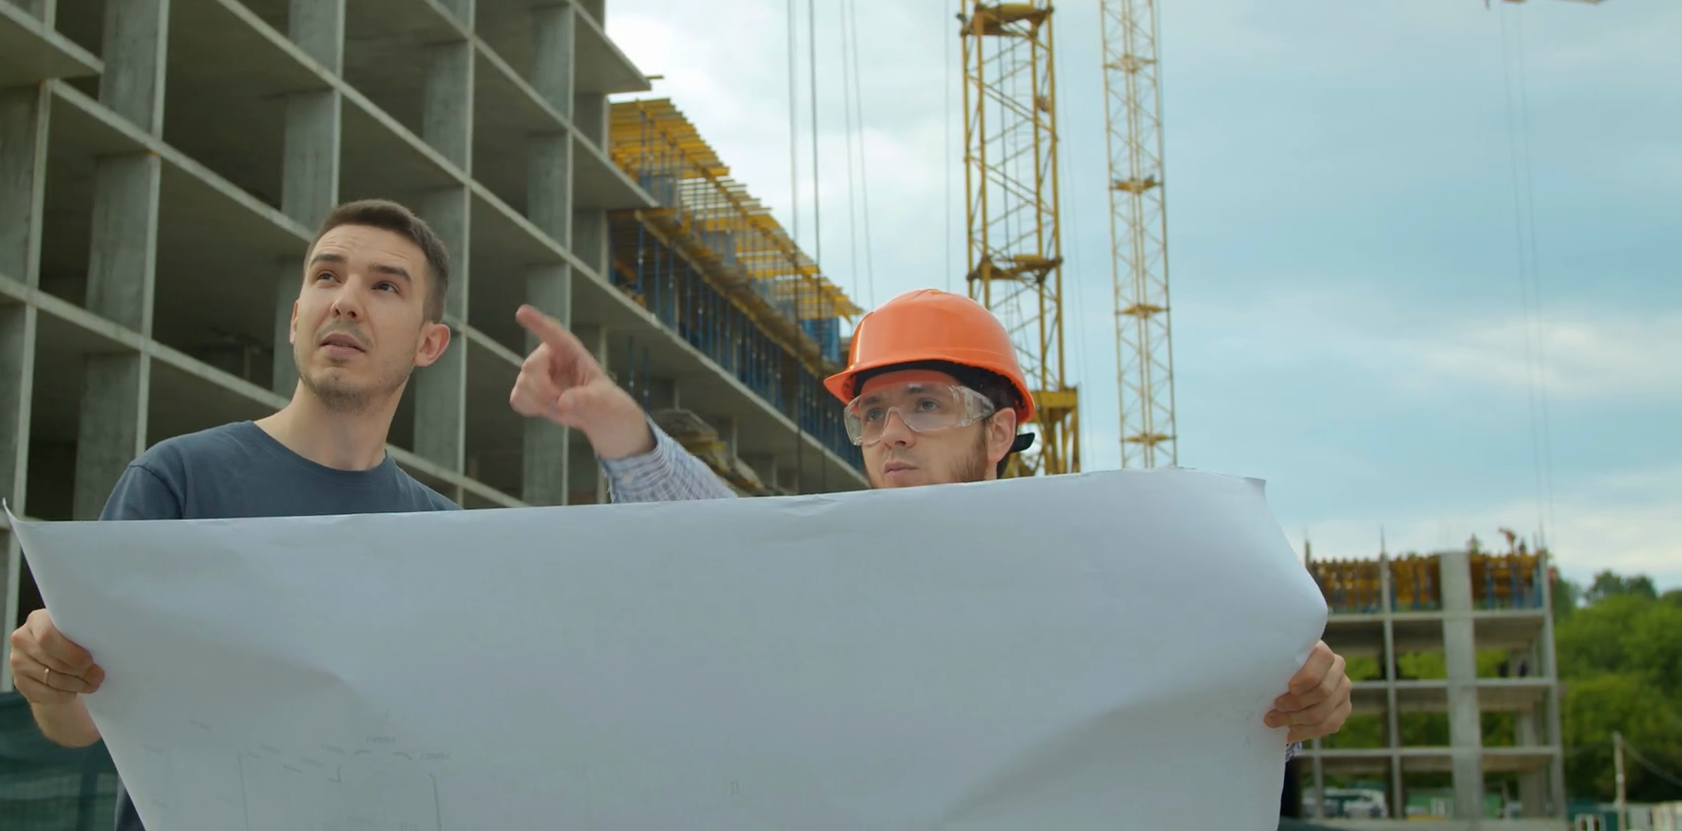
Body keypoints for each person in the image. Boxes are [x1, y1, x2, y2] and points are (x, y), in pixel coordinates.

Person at [510, 288, 1354, 746]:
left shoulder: (1095, 565)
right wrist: (621, 428)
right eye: (871, 413)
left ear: (998, 431)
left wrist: (1302, 685)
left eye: (924, 403)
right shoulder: (837, 569)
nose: (893, 431)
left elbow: (1217, 664)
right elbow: (727, 547)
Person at [7, 199, 462, 831]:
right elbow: (81, 721)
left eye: (385, 286)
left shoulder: (446, 537)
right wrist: (48, 678)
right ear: (297, 316)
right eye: (327, 277)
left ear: (429, 342)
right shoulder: (178, 481)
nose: (347, 301)